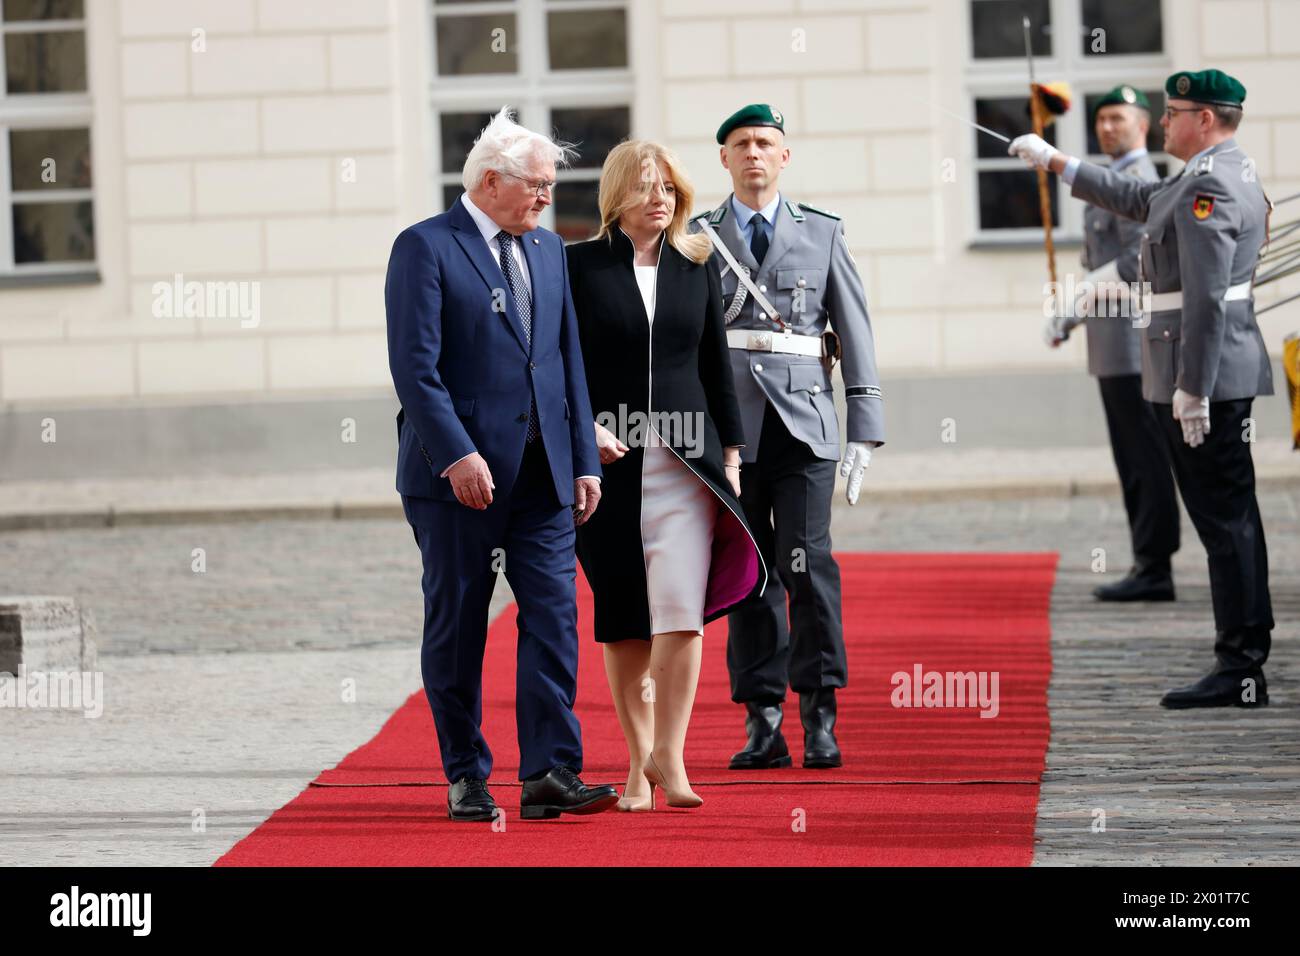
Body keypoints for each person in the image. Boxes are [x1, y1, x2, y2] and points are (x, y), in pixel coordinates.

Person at [1010, 69, 1275, 709]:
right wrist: (1060, 164)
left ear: (1204, 120)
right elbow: (1138, 199)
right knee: (1230, 518)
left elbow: (1208, 301)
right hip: (1206, 367)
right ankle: (1241, 661)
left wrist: (1193, 389)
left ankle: (1240, 668)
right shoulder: (1211, 173)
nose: (1163, 122)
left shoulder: (1209, 183)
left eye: (1173, 111)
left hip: (1203, 371)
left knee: (1226, 522)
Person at [385, 107, 619, 821]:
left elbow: (566, 363)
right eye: (539, 185)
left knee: (553, 621)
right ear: (490, 181)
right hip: (458, 485)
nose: (549, 196)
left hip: (545, 478)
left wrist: (585, 458)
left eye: (551, 185)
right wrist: (456, 452)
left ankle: (550, 771)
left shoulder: (549, 251)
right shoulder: (425, 248)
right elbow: (415, 370)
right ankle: (466, 773)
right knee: (459, 626)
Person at [566, 140, 766, 810]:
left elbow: (717, 367)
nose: (661, 198)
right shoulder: (579, 266)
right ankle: (634, 763)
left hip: (688, 466)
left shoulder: (696, 262)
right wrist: (581, 431)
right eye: (646, 187)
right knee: (623, 620)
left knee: (682, 615)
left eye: (669, 189)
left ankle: (671, 759)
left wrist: (732, 458)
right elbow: (560, 367)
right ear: (616, 195)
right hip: (607, 469)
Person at [692, 104, 886, 769]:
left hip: (804, 428)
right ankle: (762, 717)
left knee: (810, 567)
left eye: (764, 143)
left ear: (784, 157)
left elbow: (854, 332)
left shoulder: (822, 232)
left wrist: (865, 427)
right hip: (728, 434)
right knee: (748, 573)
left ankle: (820, 713)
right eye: (740, 144)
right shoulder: (699, 237)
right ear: (723, 158)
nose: (752, 154)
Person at [1046, 85, 1181, 602]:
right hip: (1112, 344)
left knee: (1144, 458)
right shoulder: (1111, 180)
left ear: (1142, 125)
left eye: (1118, 118)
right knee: (1131, 456)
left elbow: (1133, 263)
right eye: (1101, 119)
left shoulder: (1137, 179)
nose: (1108, 127)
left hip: (1135, 343)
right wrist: (1073, 317)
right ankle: (1148, 560)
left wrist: (1078, 299)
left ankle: (1155, 565)